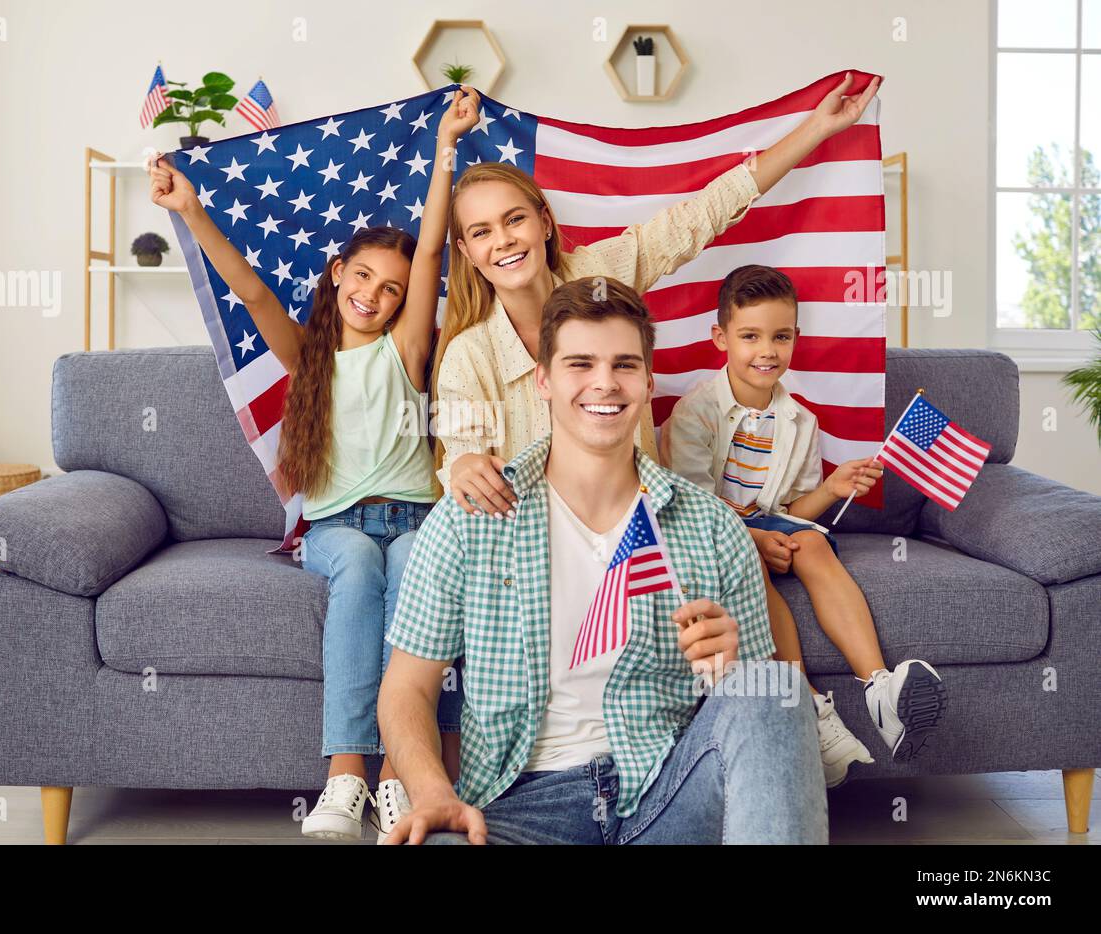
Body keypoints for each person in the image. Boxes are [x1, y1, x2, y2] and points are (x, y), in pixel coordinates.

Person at [376, 276, 826, 844]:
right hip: (522, 806)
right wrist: (434, 793)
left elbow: (760, 731)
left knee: (768, 690)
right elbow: (406, 690)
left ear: (647, 380)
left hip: (666, 790)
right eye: (580, 364)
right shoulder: (471, 518)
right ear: (543, 379)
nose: (605, 384)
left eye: (625, 365)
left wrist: (728, 668)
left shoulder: (714, 528)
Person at [148, 87, 482, 842]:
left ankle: (402, 776)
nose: (376, 293)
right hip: (335, 526)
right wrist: (189, 211)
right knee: (360, 565)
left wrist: (444, 152)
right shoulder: (310, 359)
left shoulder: (408, 353)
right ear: (338, 273)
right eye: (363, 277)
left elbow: (432, 249)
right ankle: (345, 777)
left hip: (417, 519)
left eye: (392, 289)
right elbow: (251, 291)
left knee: (411, 575)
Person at [434, 73, 882, 524]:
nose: (505, 240)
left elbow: (702, 215)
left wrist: (817, 129)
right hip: (536, 537)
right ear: (468, 253)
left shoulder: (599, 275)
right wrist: (463, 466)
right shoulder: (469, 355)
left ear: (545, 224)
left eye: (515, 220)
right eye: (481, 232)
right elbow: (464, 455)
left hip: (639, 525)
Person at [663, 263, 948, 785]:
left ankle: (879, 687)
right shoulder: (694, 414)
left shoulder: (801, 421)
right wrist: (753, 537)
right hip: (715, 531)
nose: (767, 351)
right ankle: (809, 705)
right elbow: (692, 507)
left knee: (815, 549)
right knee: (751, 558)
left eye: (781, 336)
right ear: (720, 337)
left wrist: (833, 490)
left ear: (796, 338)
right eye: (750, 336)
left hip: (771, 525)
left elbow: (793, 511)